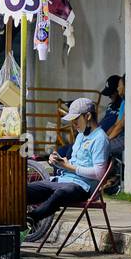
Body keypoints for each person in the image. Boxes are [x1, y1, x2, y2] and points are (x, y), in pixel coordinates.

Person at [25, 97, 109, 243]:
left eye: (76, 120)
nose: (74, 124)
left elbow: (99, 173)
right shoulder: (81, 135)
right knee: (24, 190)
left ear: (87, 116)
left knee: (62, 193)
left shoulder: (100, 139)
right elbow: (70, 164)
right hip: (62, 181)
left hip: (83, 187)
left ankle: (32, 218)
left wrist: (69, 167)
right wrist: (56, 161)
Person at [99, 74, 125, 159]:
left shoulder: (128, 103)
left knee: (100, 148)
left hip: (123, 138)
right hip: (116, 137)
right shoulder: (123, 103)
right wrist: (104, 138)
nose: (118, 89)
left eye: (119, 86)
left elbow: (120, 126)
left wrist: (106, 141)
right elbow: (116, 125)